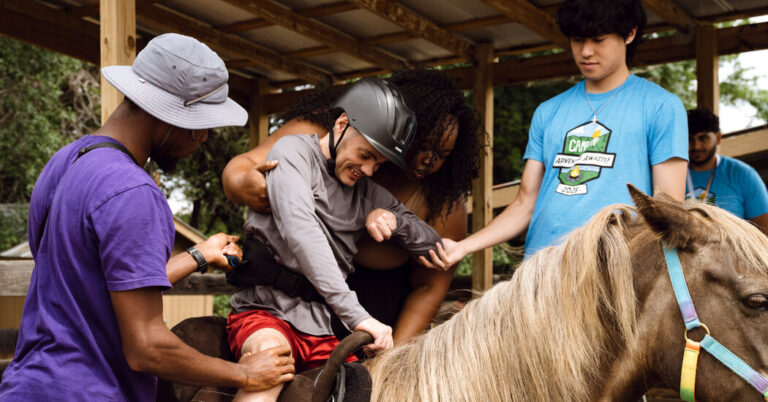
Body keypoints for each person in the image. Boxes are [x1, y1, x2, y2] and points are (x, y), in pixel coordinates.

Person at [0, 34, 295, 401]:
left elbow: (90, 283)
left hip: (29, 386)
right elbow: (146, 348)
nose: (202, 138)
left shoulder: (64, 163)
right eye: (199, 124)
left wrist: (199, 255)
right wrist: (244, 373)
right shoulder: (134, 192)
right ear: (169, 113)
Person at [420, 0, 689, 269]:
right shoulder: (548, 112)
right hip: (541, 274)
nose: (585, 51)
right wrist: (463, 246)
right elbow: (525, 203)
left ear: (629, 34)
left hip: (613, 275)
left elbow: (666, 211)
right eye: (577, 40)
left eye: (598, 40)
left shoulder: (661, 107)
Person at [222, 69, 481, 344]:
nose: (428, 160)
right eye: (424, 144)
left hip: (376, 323)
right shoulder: (321, 138)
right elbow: (240, 168)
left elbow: (429, 286)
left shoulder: (440, 200)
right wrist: (243, 184)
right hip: (289, 303)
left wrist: (392, 361)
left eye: (442, 154)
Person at [225, 77, 445, 401]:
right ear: (343, 123)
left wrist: (393, 221)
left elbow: (430, 243)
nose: (369, 170)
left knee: (367, 389)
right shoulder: (293, 153)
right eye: (365, 154)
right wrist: (359, 317)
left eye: (378, 164)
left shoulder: (367, 192)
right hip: (266, 312)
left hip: (321, 327)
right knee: (269, 364)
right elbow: (302, 234)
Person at [686, 108, 768, 235]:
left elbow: (765, 233)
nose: (696, 146)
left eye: (703, 138)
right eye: (690, 139)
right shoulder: (671, 175)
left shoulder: (743, 175)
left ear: (718, 138)